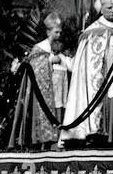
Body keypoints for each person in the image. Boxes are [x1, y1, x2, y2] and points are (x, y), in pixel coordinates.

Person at [62, 0, 113, 144]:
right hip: (100, 83)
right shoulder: (92, 32)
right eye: (109, 7)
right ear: (102, 8)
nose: (112, 11)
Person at [10, 12, 72, 150]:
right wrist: (50, 61)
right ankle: (44, 141)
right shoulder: (39, 48)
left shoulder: (60, 47)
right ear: (48, 32)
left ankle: (57, 140)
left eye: (60, 32)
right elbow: (36, 66)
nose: (59, 35)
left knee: (59, 111)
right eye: (56, 32)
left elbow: (69, 64)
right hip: (44, 93)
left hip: (59, 89)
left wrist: (61, 59)